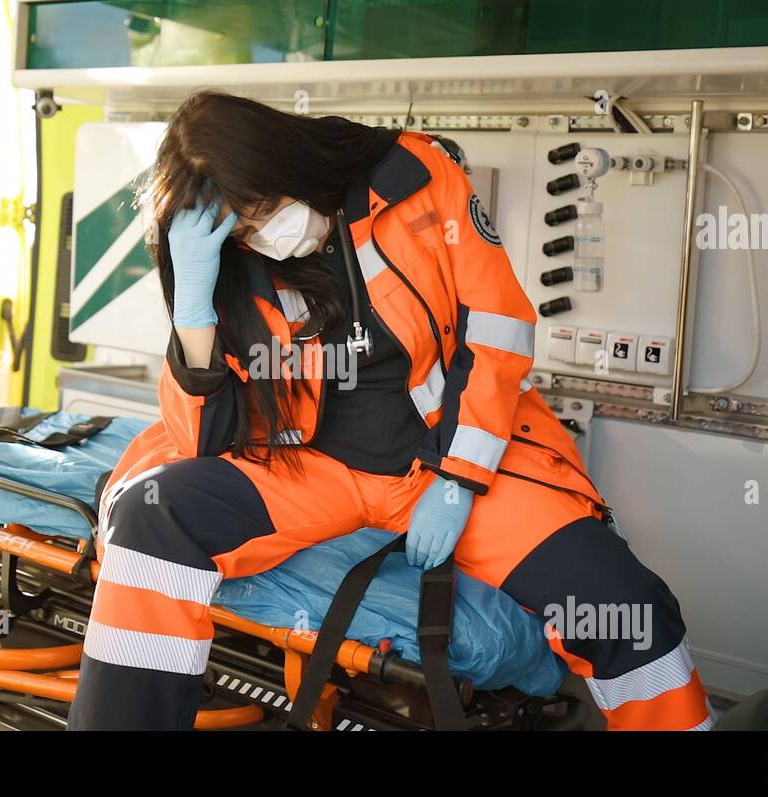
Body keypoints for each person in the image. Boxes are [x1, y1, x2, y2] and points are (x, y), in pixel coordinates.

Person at [68, 91, 713, 731]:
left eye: (261, 210)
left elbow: (498, 332)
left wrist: (458, 479)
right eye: (239, 229)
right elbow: (200, 439)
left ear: (282, 158)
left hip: (451, 457)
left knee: (622, 606)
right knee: (152, 522)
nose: (262, 236)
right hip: (310, 469)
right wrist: (193, 312)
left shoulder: (415, 176)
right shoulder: (233, 266)